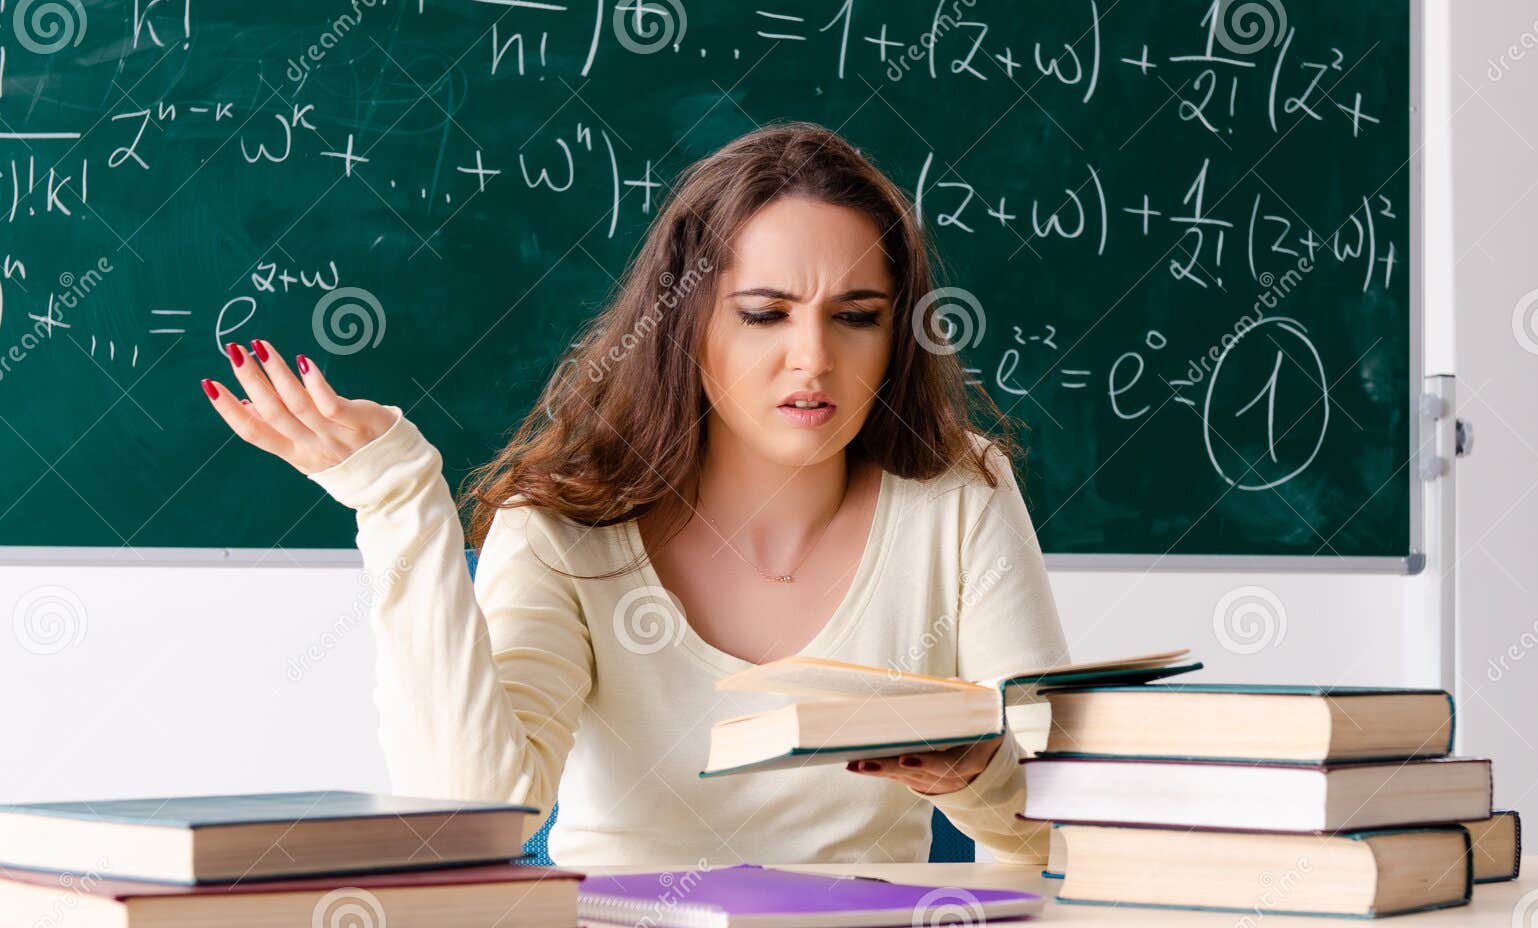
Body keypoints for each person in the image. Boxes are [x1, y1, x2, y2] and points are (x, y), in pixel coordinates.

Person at [200, 122, 1070, 867]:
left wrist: (980, 775)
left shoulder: (959, 495)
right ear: (686, 323)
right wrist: (397, 500)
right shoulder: (561, 531)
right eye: (764, 314)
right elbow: (466, 823)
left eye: (857, 315)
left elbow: (1065, 827)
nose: (813, 358)